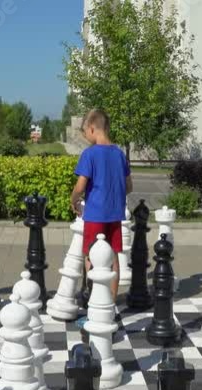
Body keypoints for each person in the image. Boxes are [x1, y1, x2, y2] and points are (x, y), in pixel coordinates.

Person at [70, 109, 133, 301]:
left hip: (95, 215)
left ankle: (95, 297)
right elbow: (129, 187)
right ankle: (111, 301)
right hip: (115, 214)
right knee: (113, 257)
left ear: (91, 129)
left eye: (84, 134)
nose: (85, 138)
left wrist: (73, 200)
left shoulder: (89, 154)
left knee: (91, 255)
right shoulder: (120, 154)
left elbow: (80, 186)